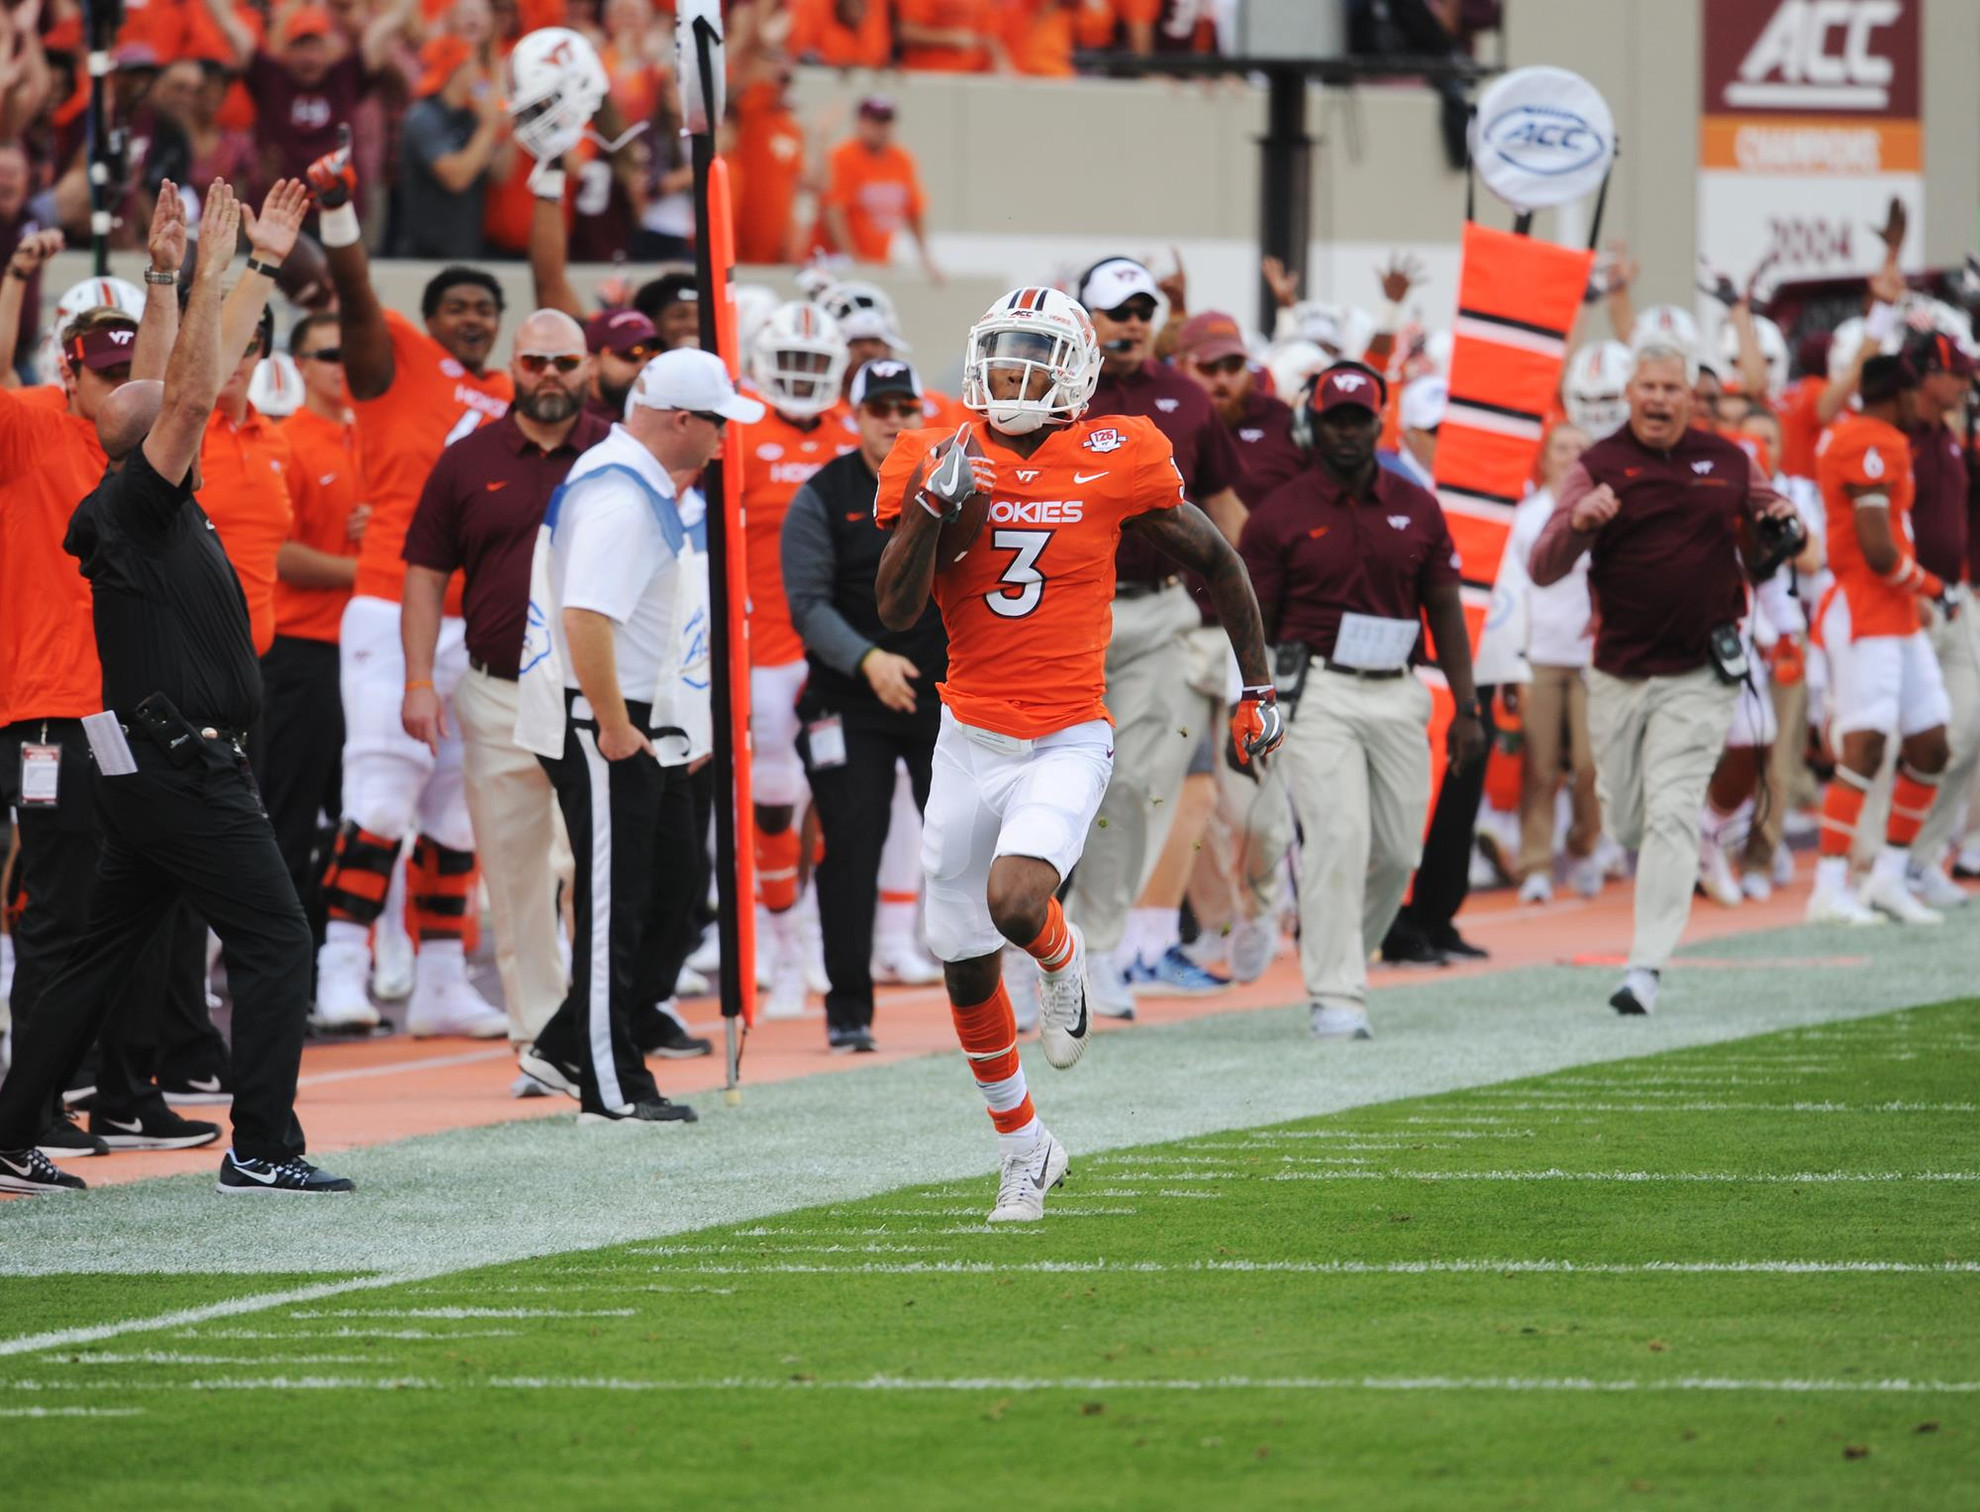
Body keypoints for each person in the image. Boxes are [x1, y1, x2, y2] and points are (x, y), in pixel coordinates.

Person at [871, 286, 1281, 1222]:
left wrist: (1256, 687)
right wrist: (935, 508)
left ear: (1075, 373)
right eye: (1002, 353)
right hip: (967, 733)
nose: (1012, 372)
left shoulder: (1117, 451)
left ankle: (1065, 957)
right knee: (962, 957)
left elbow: (1219, 561)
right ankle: (1025, 1149)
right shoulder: (933, 451)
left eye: (1034, 356)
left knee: (1017, 903)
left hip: (1064, 731)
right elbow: (895, 612)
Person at [0, 178, 355, 1197]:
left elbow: (173, 378)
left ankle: (11, 1124)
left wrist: (183, 277)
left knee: (93, 956)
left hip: (153, 767)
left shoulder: (137, 497)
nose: (180, 409)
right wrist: (236, 267)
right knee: (277, 938)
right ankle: (263, 1144)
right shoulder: (142, 506)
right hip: (181, 764)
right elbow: (185, 389)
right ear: (151, 444)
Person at [0, 192, 210, 1157]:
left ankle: (127, 1091)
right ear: (70, 371)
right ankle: (30, 1110)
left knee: (146, 907)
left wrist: (167, 273)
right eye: (110, 371)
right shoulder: (33, 427)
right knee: (58, 913)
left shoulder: (138, 448)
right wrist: (15, 280)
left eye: (135, 371)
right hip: (48, 711)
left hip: (123, 712)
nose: (130, 383)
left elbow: (169, 375)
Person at [516, 349, 762, 1122]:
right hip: (603, 719)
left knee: (654, 891)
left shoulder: (629, 479)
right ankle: (608, 1086)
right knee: (613, 907)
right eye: (718, 422)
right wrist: (618, 730)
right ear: (681, 420)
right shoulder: (622, 495)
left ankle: (569, 1048)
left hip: (624, 715)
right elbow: (585, 616)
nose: (727, 438)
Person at [305, 133, 514, 1034]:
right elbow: (352, 291)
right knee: (381, 796)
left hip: (483, 620)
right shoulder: (396, 366)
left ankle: (437, 982)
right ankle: (341, 965)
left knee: (457, 815)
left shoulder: (512, 390)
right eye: (457, 306)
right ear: (432, 318)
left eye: (484, 308)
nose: (472, 319)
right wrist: (342, 211)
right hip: (393, 602)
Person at [1529, 344, 1802, 1015]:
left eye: (1669, 387)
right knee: (1627, 817)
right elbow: (1542, 565)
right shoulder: (1597, 464)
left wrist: (1778, 529)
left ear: (1691, 396)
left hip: (1701, 669)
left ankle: (1644, 968)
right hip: (1620, 669)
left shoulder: (1730, 460)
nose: (1657, 399)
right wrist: (1579, 523)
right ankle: (1663, 867)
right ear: (1628, 393)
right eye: (1646, 387)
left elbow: (1778, 536)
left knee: (1675, 811)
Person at [1239, 363, 1484, 1039]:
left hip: (1399, 690)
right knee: (1339, 835)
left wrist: (1468, 707)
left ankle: (1339, 945)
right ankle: (1337, 992)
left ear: (1379, 425)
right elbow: (1253, 619)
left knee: (1400, 850)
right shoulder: (1278, 514)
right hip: (1317, 689)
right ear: (1314, 425)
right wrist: (1253, 703)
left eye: (1358, 420)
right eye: (1334, 420)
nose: (1346, 432)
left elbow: (1445, 607)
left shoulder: (1418, 504)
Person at [399, 310, 619, 1052]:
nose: (550, 376)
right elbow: (426, 575)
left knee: (596, 868)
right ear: (513, 367)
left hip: (599, 690)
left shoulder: (619, 456)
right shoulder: (465, 458)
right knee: (517, 872)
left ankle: (607, 1023)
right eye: (535, 363)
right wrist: (419, 679)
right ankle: (539, 1038)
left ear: (587, 368)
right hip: (496, 690)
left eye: (563, 362)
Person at [1065, 257, 1247, 1018]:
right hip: (1065, 610)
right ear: (1087, 318)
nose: (1132, 321)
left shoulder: (1185, 398)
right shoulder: (1057, 386)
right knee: (1040, 781)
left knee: (1135, 785)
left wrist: (1222, 613)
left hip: (1157, 612)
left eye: (1143, 308)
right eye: (1118, 310)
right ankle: (1024, 937)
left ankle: (1097, 946)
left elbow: (1225, 514)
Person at [782, 358, 948, 1052]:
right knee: (852, 845)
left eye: (904, 407)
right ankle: (848, 1008)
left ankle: (1008, 987)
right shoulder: (821, 494)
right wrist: (867, 659)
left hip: (946, 690)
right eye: (879, 408)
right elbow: (807, 602)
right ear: (854, 416)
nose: (893, 420)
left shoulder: (957, 482)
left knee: (971, 841)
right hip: (851, 694)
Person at [735, 299, 853, 1018]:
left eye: (816, 363)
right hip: (767, 646)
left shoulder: (854, 432)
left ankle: (821, 937)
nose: (803, 377)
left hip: (840, 649)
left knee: (844, 806)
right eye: (792, 362)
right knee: (774, 804)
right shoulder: (742, 432)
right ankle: (782, 943)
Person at [1806, 355, 1954, 927]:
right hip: (1865, 608)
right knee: (1864, 746)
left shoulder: (1868, 435)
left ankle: (1888, 878)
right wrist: (1934, 587)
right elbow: (1877, 549)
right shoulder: (1870, 439)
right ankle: (1828, 883)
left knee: (1932, 743)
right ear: (1903, 393)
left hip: (1893, 611)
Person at [256, 312, 366, 953]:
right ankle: (286, 962)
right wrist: (369, 564)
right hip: (302, 653)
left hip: (363, 647)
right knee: (290, 815)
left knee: (360, 814)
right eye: (330, 354)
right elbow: (278, 553)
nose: (343, 365)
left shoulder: (370, 442)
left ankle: (339, 957)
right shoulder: (288, 441)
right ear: (299, 365)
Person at [1897, 331, 1978, 909]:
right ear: (1926, 375)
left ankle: (1920, 859)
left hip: (1955, 595)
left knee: (1966, 732)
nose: (1965, 383)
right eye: (1956, 373)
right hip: (1910, 601)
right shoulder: (1898, 439)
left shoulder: (1949, 438)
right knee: (1906, 737)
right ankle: (1876, 863)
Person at [1505, 421, 1602, 904]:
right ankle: (1536, 863)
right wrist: (1516, 658)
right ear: (1544, 457)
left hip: (1590, 656)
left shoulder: (1602, 507)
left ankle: (1584, 847)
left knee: (1591, 765)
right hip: (1541, 653)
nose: (1569, 455)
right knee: (1540, 766)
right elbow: (1514, 592)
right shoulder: (1527, 516)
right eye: (1561, 448)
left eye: (1578, 447)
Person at [398, 36, 511, 261]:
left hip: (465, 248)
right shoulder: (424, 116)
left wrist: (510, 128)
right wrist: (489, 127)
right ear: (456, 70)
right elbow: (457, 178)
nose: (479, 72)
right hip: (425, 254)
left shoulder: (471, 118)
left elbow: (501, 173)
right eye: (472, 64)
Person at [816, 97, 941, 282]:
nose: (881, 128)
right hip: (837, 259)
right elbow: (834, 212)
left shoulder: (901, 159)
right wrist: (854, 259)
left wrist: (926, 259)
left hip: (877, 261)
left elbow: (914, 212)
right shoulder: (842, 156)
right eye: (875, 122)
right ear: (860, 123)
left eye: (885, 122)